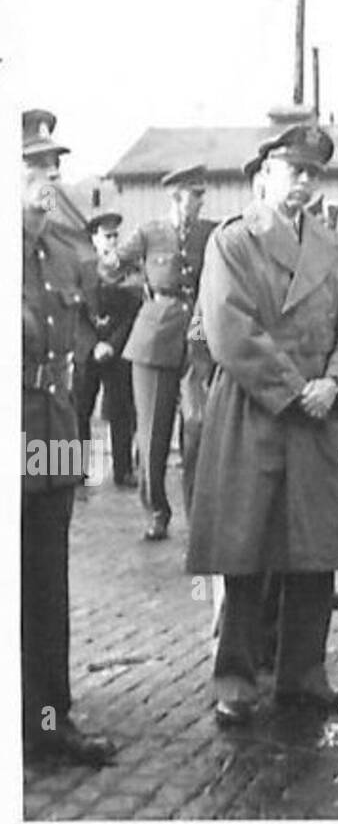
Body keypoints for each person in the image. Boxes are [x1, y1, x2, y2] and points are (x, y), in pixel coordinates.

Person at [186, 123, 338, 726]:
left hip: (323, 413)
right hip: (256, 408)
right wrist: (294, 390)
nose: (302, 184)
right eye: (292, 171)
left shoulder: (333, 246)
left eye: (312, 174)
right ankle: (236, 679)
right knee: (246, 547)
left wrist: (337, 383)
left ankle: (305, 674)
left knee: (317, 547)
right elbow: (228, 330)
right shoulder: (234, 242)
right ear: (264, 174)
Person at [21, 109, 117, 767]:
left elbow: (80, 332)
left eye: (53, 167)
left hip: (51, 434)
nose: (49, 177)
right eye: (33, 165)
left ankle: (50, 720)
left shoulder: (60, 248)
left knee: (47, 587)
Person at [119, 163, 216, 539]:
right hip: (153, 336)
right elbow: (110, 270)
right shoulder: (148, 233)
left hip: (198, 337)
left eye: (202, 195)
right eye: (195, 195)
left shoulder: (209, 233)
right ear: (176, 197)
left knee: (198, 426)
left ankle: (199, 514)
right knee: (153, 433)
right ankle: (156, 511)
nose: (200, 201)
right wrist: (147, 293)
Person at [75, 212, 143, 489]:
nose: (113, 241)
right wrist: (93, 345)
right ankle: (75, 470)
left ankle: (123, 470)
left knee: (120, 411)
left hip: (117, 351)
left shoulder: (129, 271)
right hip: (87, 350)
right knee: (80, 410)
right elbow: (75, 314)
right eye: (107, 235)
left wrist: (112, 345)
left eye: (116, 235)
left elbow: (132, 315)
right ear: (94, 239)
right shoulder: (81, 270)